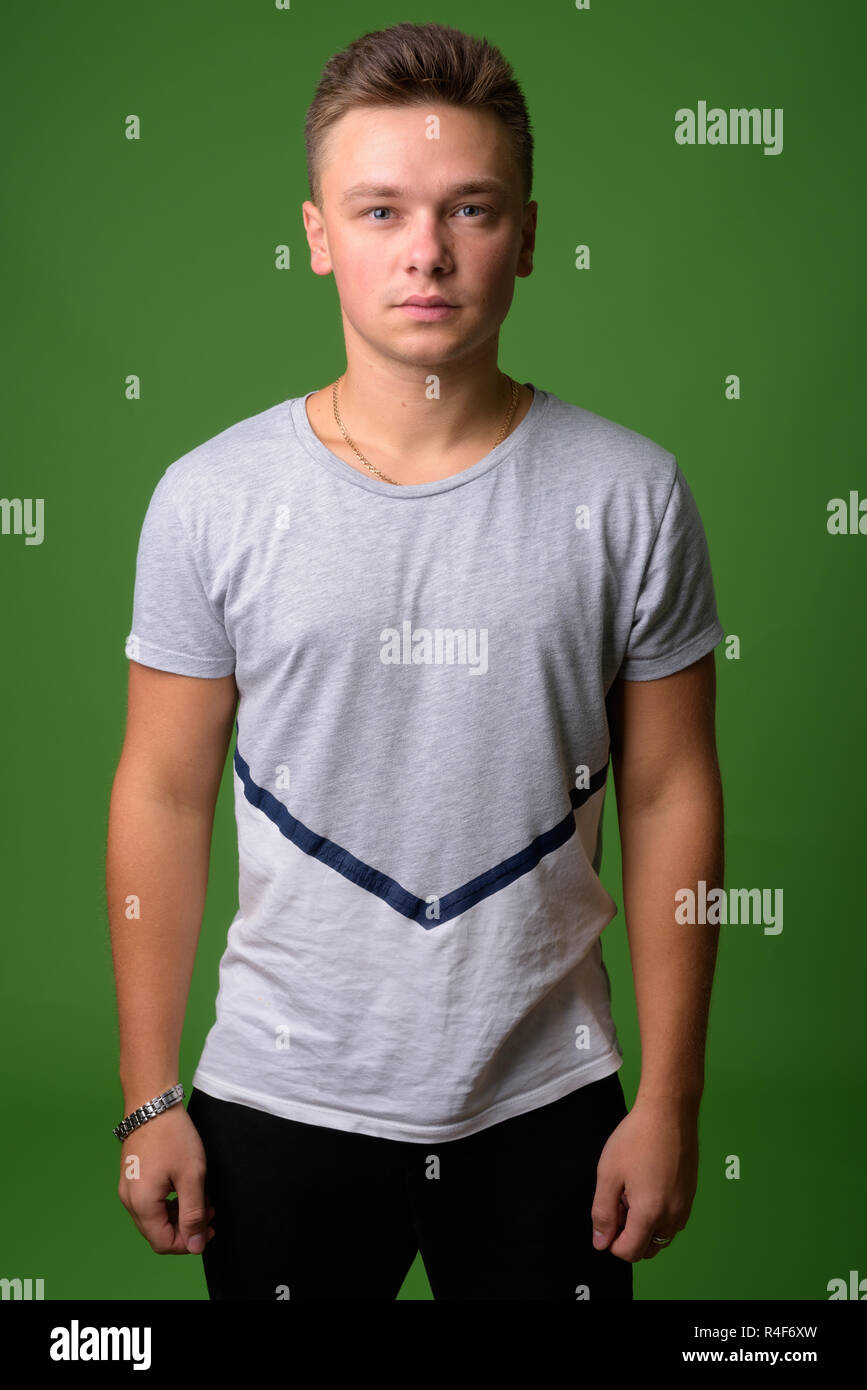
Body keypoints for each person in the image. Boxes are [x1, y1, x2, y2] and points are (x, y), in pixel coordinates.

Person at [108, 21, 724, 1301]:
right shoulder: (210, 498)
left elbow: (672, 797)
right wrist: (147, 1095)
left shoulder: (630, 494)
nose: (428, 253)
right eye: (381, 210)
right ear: (320, 233)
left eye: (471, 210)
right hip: (278, 1093)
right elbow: (163, 794)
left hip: (551, 1099)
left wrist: (666, 1099)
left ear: (531, 234)